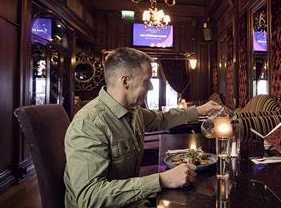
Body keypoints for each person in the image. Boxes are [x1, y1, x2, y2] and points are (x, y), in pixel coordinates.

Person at [64, 47, 221, 207]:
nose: (151, 87)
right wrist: (161, 179)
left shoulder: (133, 111)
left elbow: (162, 119)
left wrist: (200, 110)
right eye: (147, 80)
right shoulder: (89, 124)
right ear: (125, 81)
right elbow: (89, 197)